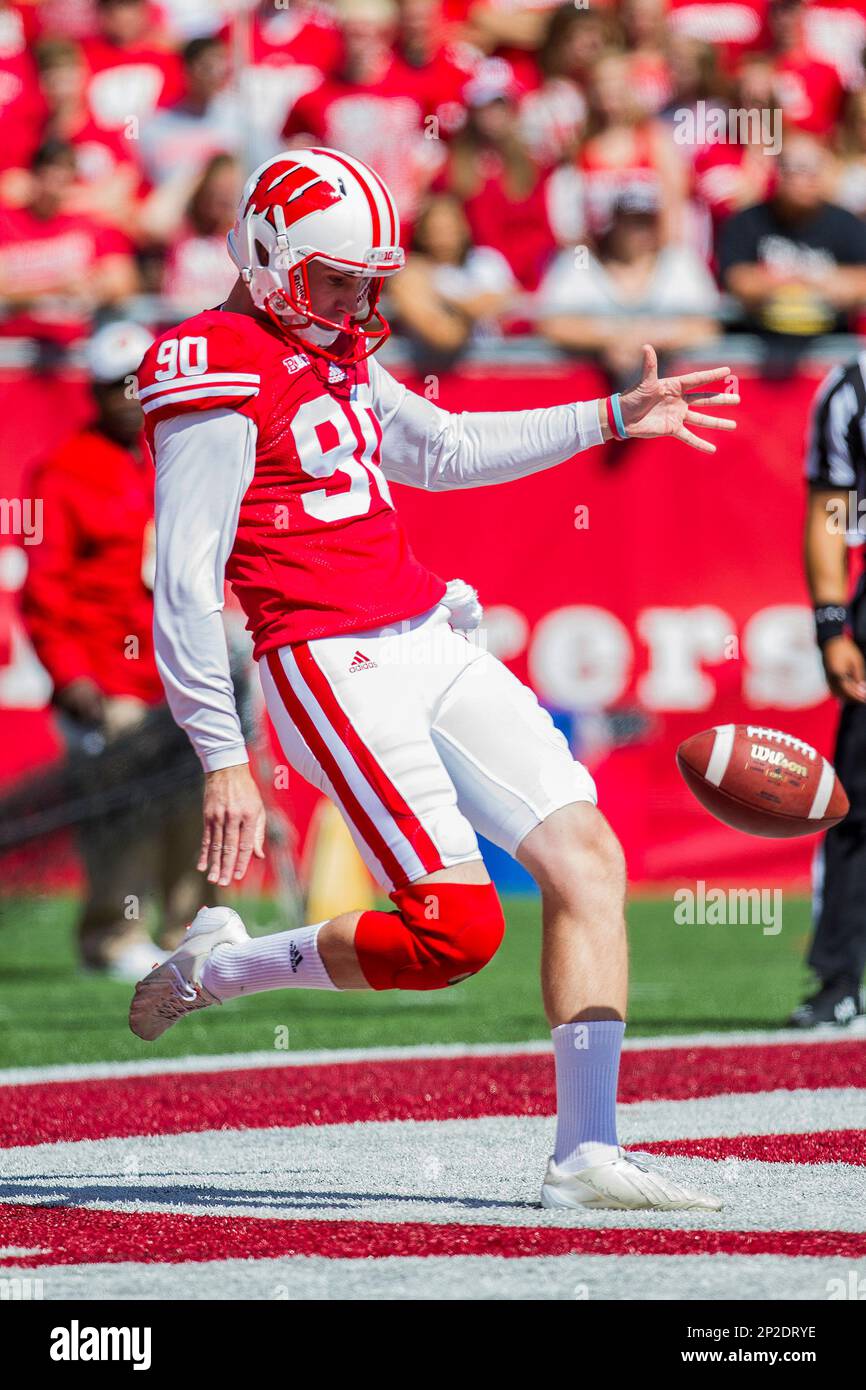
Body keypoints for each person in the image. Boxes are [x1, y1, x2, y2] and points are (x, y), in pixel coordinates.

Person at [129, 148, 739, 1213]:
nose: (358, 304)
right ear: (268, 259)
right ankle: (222, 967)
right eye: (335, 282)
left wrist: (607, 416)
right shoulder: (209, 357)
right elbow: (182, 582)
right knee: (454, 932)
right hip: (328, 656)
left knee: (585, 853)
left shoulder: (328, 348)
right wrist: (222, 756)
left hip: (427, 627)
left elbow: (445, 448)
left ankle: (583, 1154)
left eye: (372, 281)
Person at [20, 320, 214, 980]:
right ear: (96, 394)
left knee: (197, 813)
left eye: (142, 384)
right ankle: (113, 937)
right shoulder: (63, 473)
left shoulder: (179, 456)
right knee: (122, 818)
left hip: (181, 677)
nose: (131, 398)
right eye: (117, 387)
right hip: (109, 679)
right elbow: (43, 592)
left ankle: (191, 929)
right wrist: (72, 678)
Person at [795, 357, 866, 1028]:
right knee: (860, 806)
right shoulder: (854, 388)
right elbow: (832, 512)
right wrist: (831, 622)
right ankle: (838, 980)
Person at [536, 185, 720, 393]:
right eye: (630, 223)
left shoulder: (679, 261)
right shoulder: (581, 260)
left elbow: (707, 326)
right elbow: (551, 324)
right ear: (613, 223)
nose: (638, 232)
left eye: (645, 223)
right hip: (588, 397)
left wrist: (650, 341)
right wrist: (609, 340)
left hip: (666, 393)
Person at [717, 128, 866, 371]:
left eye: (812, 169)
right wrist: (815, 280)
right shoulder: (747, 221)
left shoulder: (847, 224)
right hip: (758, 352)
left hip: (830, 355)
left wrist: (784, 280)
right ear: (779, 172)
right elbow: (738, 280)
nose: (804, 179)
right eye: (795, 169)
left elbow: (861, 282)